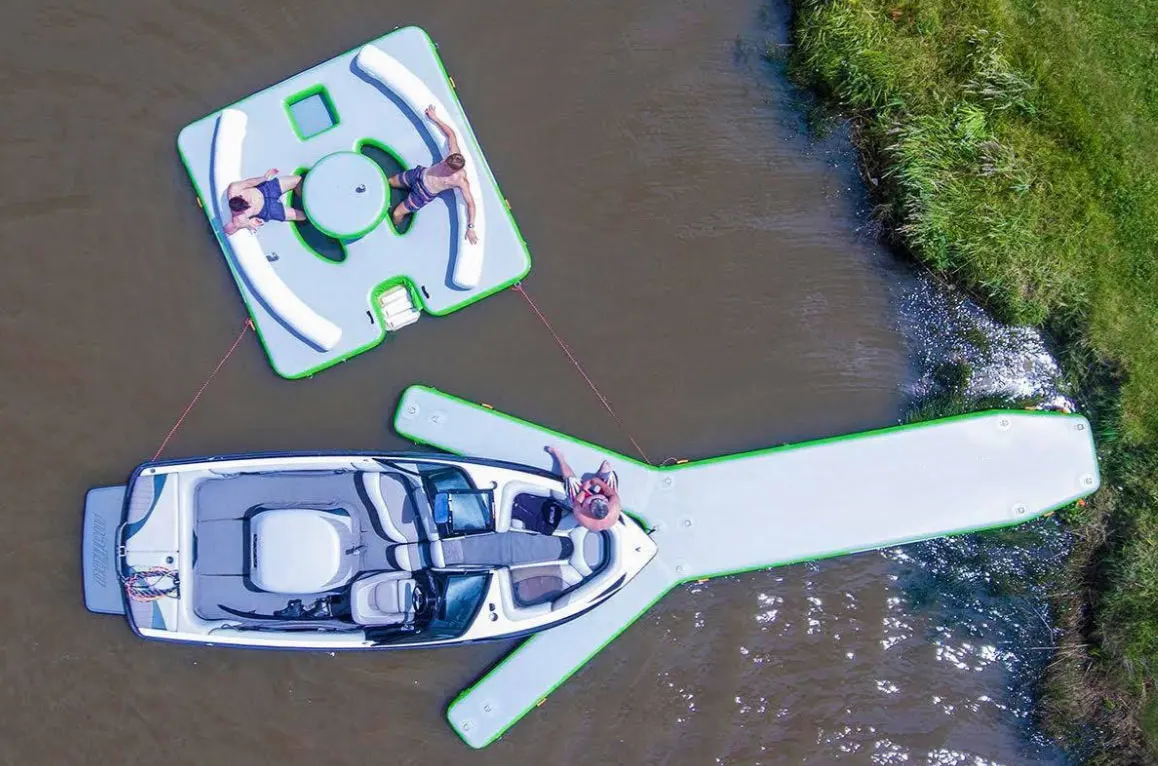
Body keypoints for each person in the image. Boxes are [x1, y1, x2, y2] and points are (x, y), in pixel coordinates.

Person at [389, 104, 478, 244]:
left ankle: (393, 228)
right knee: (390, 182)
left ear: (454, 171)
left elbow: (471, 203)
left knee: (397, 213)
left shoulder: (460, 180)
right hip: (418, 175)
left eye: (448, 168)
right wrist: (435, 118)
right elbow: (451, 134)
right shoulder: (453, 153)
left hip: (423, 194)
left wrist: (471, 227)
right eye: (445, 162)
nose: (444, 166)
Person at [545, 446, 622, 531]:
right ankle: (600, 475)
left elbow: (577, 503)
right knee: (608, 473)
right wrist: (597, 481)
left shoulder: (582, 516)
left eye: (593, 503)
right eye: (599, 500)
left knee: (571, 481)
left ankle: (560, 457)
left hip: (582, 502)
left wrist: (584, 490)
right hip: (603, 497)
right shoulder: (615, 505)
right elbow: (611, 493)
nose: (596, 499)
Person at [223, 168, 305, 235]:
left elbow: (249, 183)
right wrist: (248, 223)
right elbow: (227, 230)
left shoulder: (234, 188)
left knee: (297, 180)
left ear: (239, 196)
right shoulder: (239, 219)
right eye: (247, 205)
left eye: (244, 198)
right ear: (242, 210)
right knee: (303, 216)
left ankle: (303, 198)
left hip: (265, 189)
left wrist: (264, 178)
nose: (249, 202)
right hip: (268, 209)